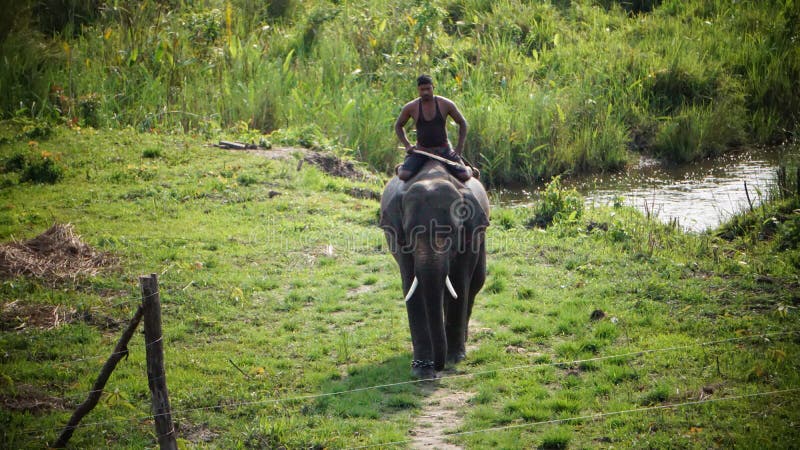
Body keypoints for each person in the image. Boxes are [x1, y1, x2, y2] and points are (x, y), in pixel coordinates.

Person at [395, 74, 472, 182]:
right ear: (418, 90)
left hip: (444, 149)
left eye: (428, 89)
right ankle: (400, 167)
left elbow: (462, 123)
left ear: (433, 88)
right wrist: (407, 145)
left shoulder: (445, 104)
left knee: (464, 175)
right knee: (404, 175)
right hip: (422, 150)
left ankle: (469, 169)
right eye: (422, 89)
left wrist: (459, 148)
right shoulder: (411, 107)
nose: (425, 92)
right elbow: (398, 125)